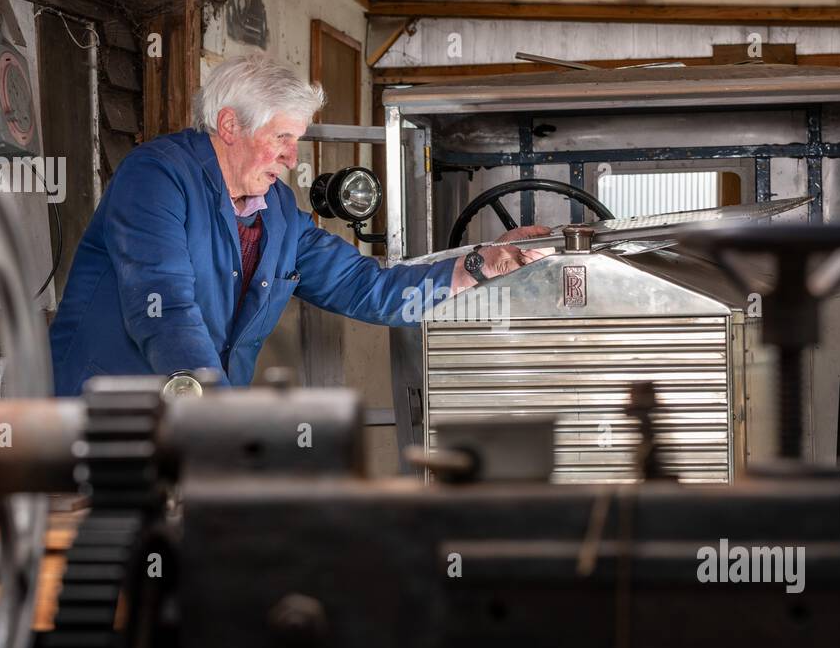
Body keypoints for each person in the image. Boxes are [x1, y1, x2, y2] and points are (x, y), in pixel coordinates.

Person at [48, 53, 546, 395]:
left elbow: (363, 286)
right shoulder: (157, 176)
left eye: (297, 139)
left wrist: (478, 265)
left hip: (196, 424)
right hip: (111, 414)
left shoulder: (280, 212)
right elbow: (163, 306)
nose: (291, 156)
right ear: (229, 126)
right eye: (281, 137)